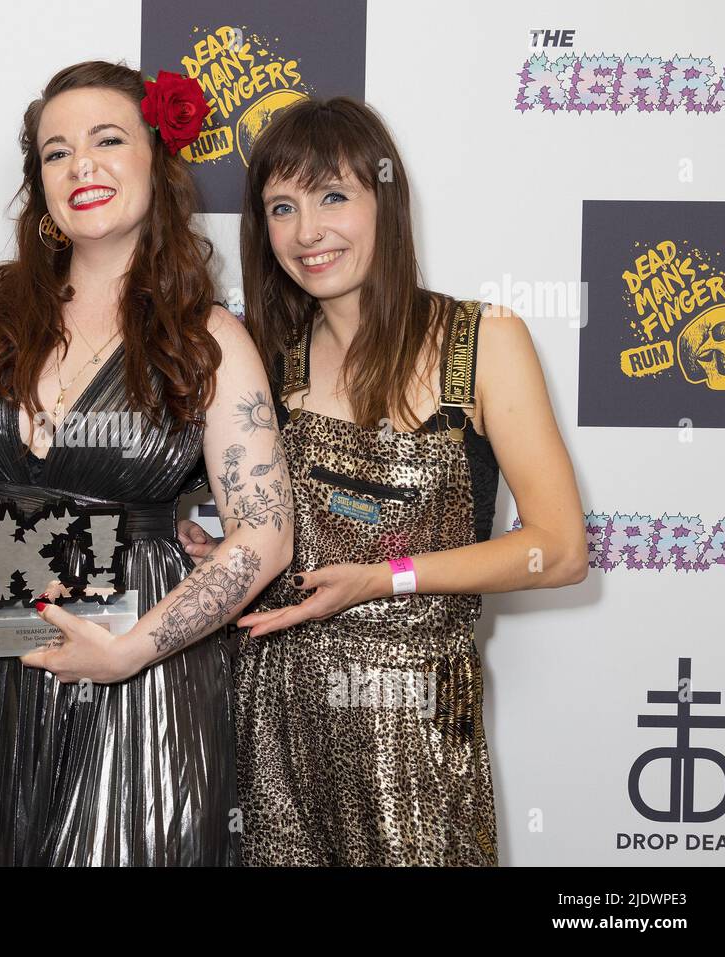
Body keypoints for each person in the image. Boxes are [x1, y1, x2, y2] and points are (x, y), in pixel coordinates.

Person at [180, 96, 587, 865]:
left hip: (418, 715)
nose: (308, 232)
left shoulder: (482, 339)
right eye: (282, 207)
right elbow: (250, 522)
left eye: (334, 196)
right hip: (272, 715)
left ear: (384, 201)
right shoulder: (265, 355)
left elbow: (559, 549)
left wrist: (384, 578)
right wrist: (210, 548)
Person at [0, 61, 292, 865]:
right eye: (56, 152)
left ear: (157, 157)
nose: (81, 165)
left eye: (107, 140)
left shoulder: (209, 334)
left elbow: (267, 534)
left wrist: (127, 652)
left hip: (143, 665)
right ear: (37, 184)